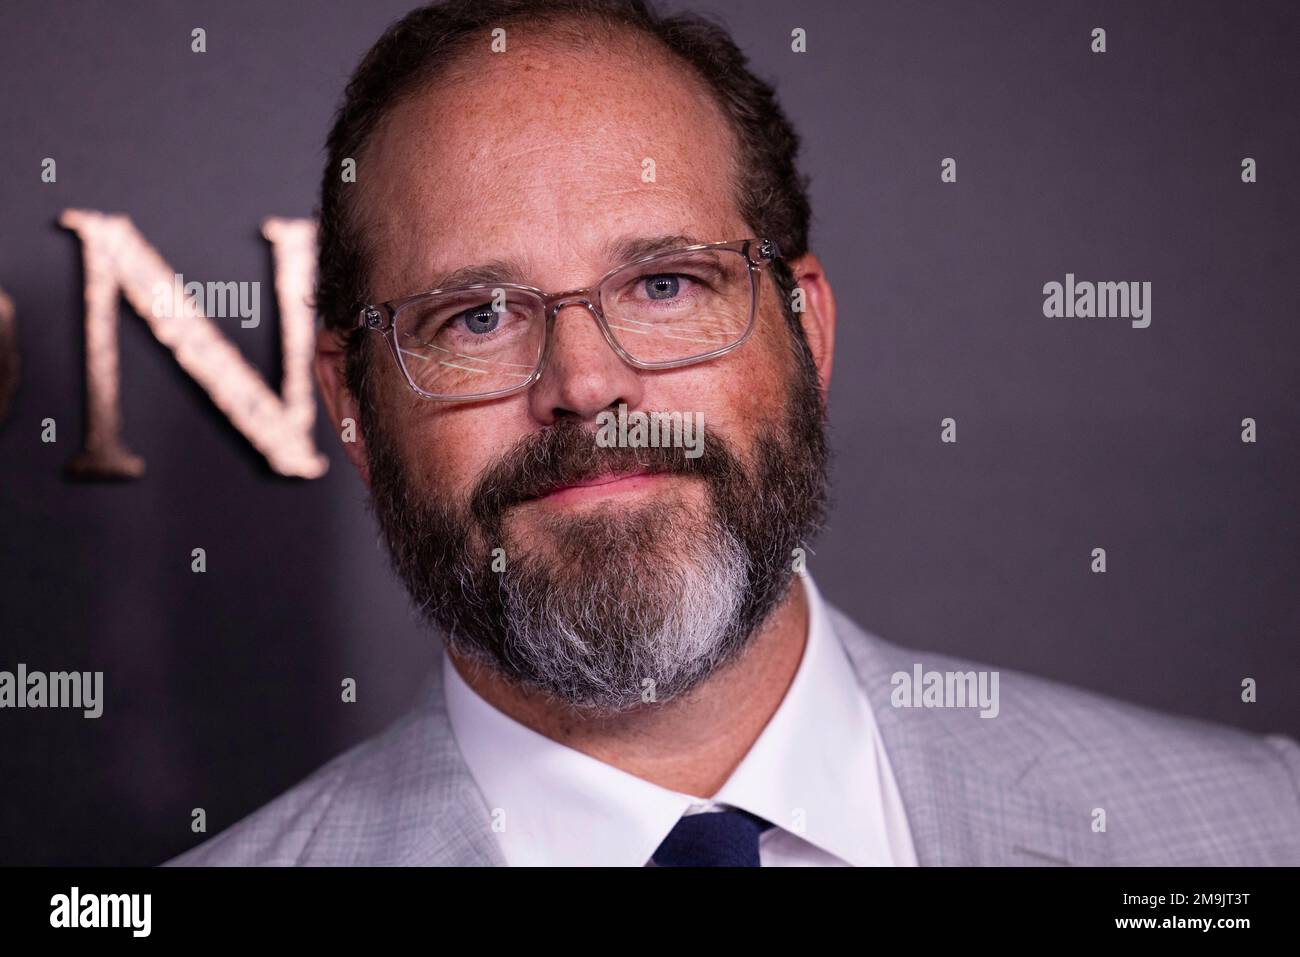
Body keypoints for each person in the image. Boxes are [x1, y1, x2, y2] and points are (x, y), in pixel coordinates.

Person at [167, 0, 1299, 867]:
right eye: (477, 315)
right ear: (353, 403)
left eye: (664, 285)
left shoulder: (1247, 833)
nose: (586, 384)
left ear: (804, 331)